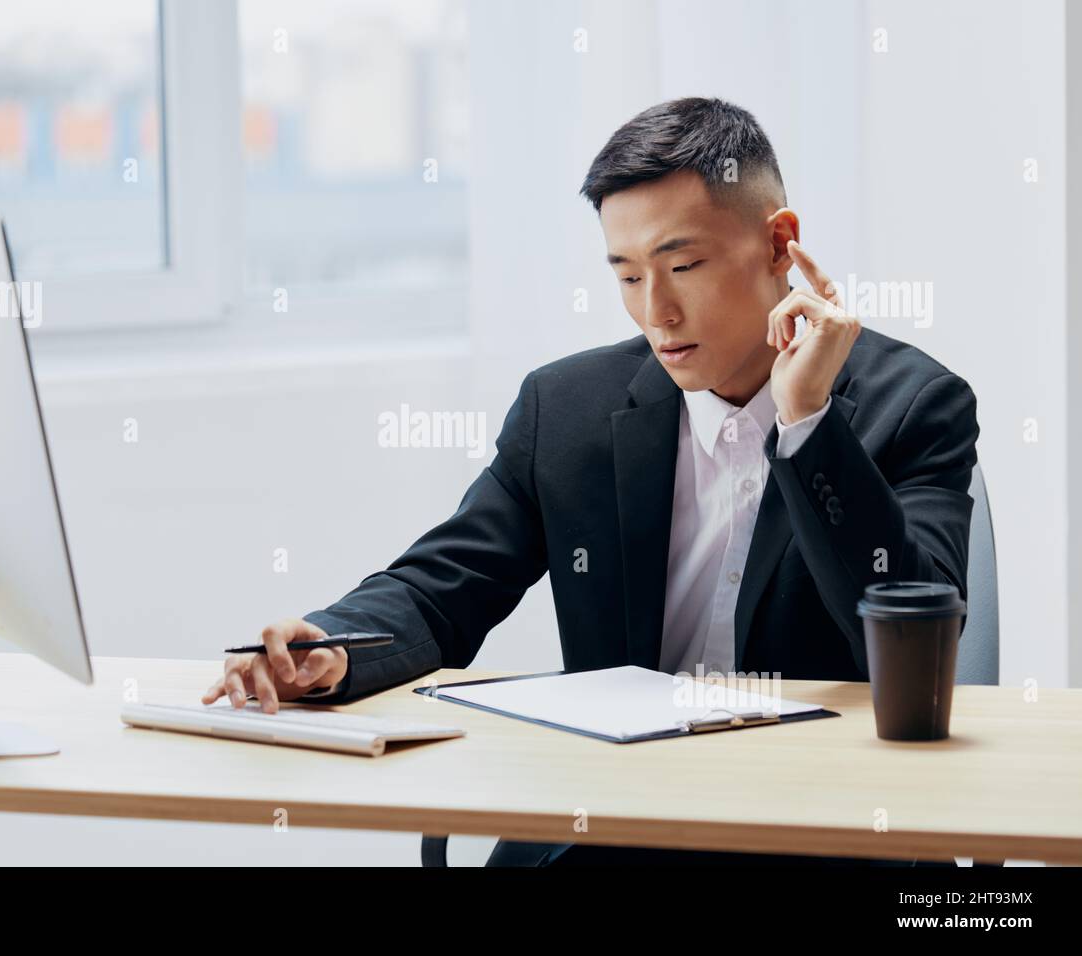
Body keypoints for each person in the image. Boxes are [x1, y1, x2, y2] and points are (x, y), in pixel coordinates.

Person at [202, 97, 980, 866]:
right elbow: (444, 585)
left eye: (683, 266)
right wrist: (331, 647)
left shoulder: (913, 406)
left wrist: (807, 423)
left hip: (811, 825)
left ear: (780, 244)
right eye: (628, 275)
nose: (658, 312)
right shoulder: (568, 409)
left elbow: (915, 649)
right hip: (612, 817)